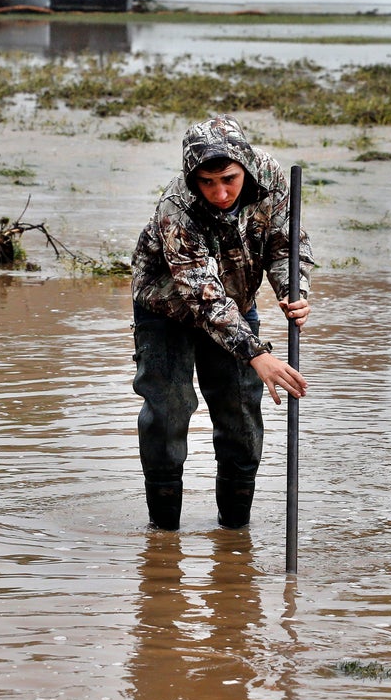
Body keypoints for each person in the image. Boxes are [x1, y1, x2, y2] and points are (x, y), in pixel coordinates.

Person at [130, 114, 314, 531]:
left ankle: (234, 533)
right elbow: (202, 297)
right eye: (207, 183)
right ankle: (163, 537)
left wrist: (293, 290)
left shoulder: (270, 179)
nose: (220, 192)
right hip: (166, 308)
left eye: (228, 179)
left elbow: (286, 243)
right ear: (192, 178)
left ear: (244, 167)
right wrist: (257, 354)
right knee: (168, 411)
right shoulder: (176, 208)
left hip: (236, 299)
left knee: (241, 412)